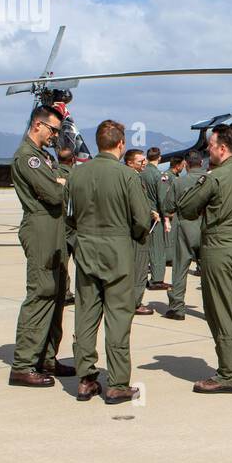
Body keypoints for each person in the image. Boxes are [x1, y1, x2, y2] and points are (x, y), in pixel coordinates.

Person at [69, 120, 152, 404]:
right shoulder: (127, 176)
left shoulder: (77, 175)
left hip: (86, 252)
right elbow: (141, 219)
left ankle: (85, 380)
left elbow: (70, 218)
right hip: (118, 253)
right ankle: (116, 384)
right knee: (118, 317)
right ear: (121, 144)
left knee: (86, 315)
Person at [177, 125, 232, 393]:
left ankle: (228, 374)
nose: (208, 150)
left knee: (219, 312)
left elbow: (186, 208)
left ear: (222, 149)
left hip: (220, 249)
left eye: (210, 145)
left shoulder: (215, 177)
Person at [7, 105, 72, 387]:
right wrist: (59, 183)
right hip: (41, 228)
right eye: (52, 130)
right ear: (37, 125)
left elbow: (62, 181)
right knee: (41, 293)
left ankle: (47, 357)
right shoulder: (27, 158)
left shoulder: (44, 157)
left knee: (57, 295)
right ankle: (23, 365)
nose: (54, 136)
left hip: (55, 229)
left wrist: (61, 178)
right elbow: (53, 192)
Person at [163, 153, 202, 320]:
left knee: (180, 268)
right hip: (207, 228)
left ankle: (177, 307)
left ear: (186, 164)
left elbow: (168, 207)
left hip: (184, 227)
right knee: (211, 272)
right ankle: (214, 308)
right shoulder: (213, 181)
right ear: (201, 163)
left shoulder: (179, 182)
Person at [124, 149, 159, 314]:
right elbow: (137, 208)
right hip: (138, 232)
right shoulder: (133, 178)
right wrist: (144, 228)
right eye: (140, 161)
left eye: (144, 160)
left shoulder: (129, 176)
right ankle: (135, 302)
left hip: (129, 230)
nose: (144, 163)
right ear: (130, 163)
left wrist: (151, 211)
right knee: (140, 268)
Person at [143, 147, 172, 291]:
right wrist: (166, 216)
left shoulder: (142, 173)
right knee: (158, 248)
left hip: (144, 213)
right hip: (156, 216)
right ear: (159, 158)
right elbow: (162, 198)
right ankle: (157, 279)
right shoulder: (158, 175)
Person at [57, 146, 77, 306]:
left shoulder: (50, 175)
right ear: (73, 160)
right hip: (75, 226)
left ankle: (63, 293)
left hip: (58, 226)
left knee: (62, 263)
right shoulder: (76, 177)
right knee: (84, 263)